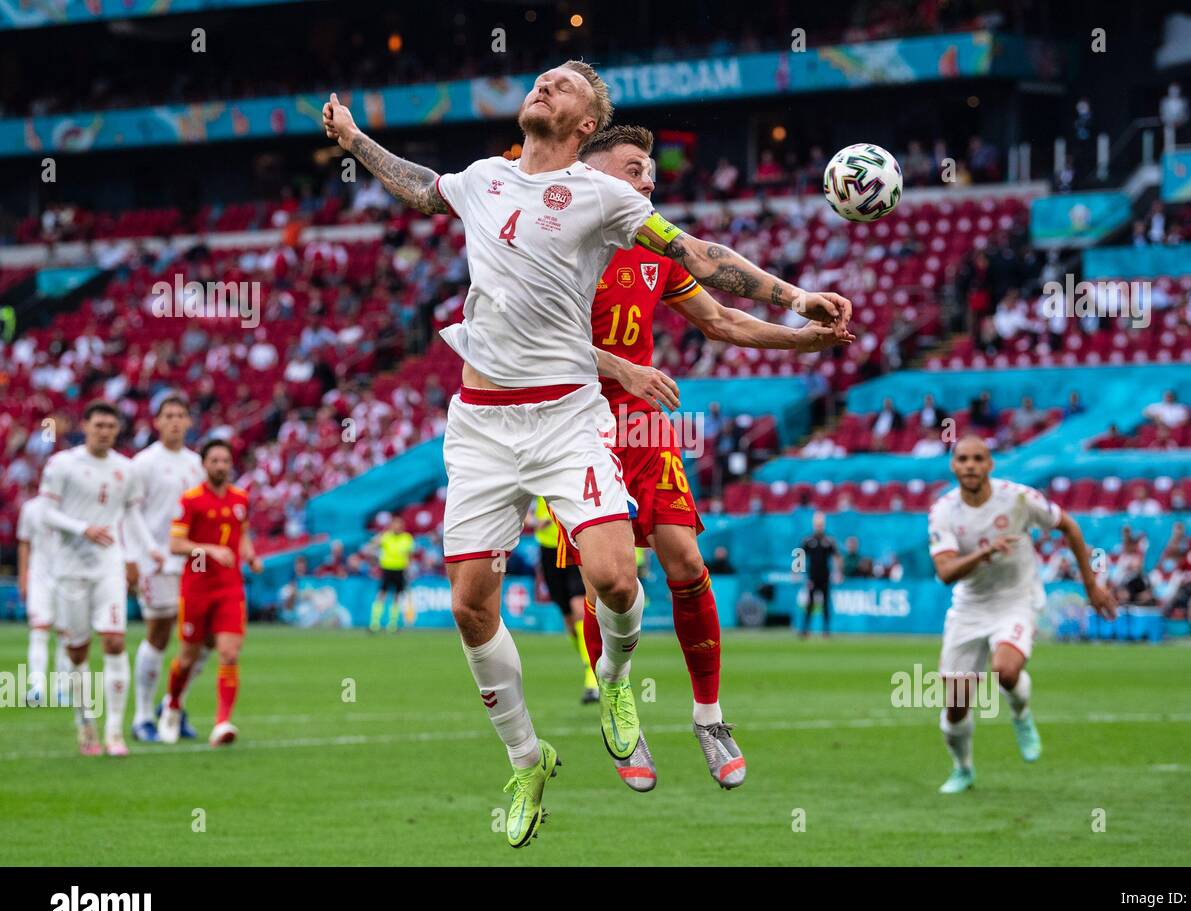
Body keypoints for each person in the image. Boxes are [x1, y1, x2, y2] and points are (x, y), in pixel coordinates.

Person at [323, 62, 850, 847]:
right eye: (542, 77)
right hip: (481, 424)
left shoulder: (607, 198)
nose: (543, 85)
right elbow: (422, 186)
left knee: (615, 576)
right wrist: (357, 139)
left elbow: (702, 258)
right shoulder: (484, 178)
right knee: (470, 602)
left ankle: (613, 682)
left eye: (563, 84)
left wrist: (796, 299)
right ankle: (527, 758)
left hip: (568, 419)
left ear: (582, 125)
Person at [569, 124, 847, 790]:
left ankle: (709, 716)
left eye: (651, 176)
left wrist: (802, 339)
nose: (646, 183)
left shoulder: (654, 248)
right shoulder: (553, 244)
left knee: (687, 560)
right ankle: (615, 689)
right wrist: (616, 365)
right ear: (589, 172)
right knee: (611, 582)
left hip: (639, 422)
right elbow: (521, 341)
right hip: (569, 423)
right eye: (634, 169)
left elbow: (720, 319)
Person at [927, 436, 1116, 794]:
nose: (970, 465)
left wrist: (1091, 586)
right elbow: (946, 572)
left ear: (990, 465)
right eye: (962, 459)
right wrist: (983, 554)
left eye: (977, 459)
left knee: (1005, 669)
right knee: (955, 704)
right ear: (953, 466)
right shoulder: (943, 511)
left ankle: (1020, 714)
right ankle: (963, 768)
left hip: (1016, 599)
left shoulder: (1018, 497)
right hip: (969, 605)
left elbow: (1070, 527)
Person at [39, 401, 163, 757]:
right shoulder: (63, 464)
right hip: (69, 566)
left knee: (113, 641)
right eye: (99, 425)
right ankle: (85, 724)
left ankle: (114, 733)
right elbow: (45, 512)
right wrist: (83, 529)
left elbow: (131, 514)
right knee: (77, 650)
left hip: (109, 563)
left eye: (111, 426)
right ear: (86, 425)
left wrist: (148, 549)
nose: (105, 431)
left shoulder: (126, 469)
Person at [159, 439, 263, 746]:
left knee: (229, 653)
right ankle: (173, 706)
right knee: (188, 657)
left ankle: (222, 723)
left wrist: (251, 557)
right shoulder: (190, 500)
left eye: (225, 461)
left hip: (230, 588)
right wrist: (210, 551)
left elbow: (241, 536)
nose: (221, 466)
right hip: (197, 587)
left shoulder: (241, 499)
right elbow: (176, 545)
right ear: (204, 465)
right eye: (215, 461)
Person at [125, 394, 207, 742]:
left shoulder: (196, 464)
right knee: (158, 634)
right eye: (168, 415)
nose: (175, 421)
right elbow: (129, 513)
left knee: (201, 640)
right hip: (156, 560)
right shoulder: (143, 463)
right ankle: (142, 716)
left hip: (192, 561)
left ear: (189, 422)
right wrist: (136, 556)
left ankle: (173, 704)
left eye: (180, 415)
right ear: (156, 422)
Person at [532, 498, 598, 704]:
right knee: (568, 618)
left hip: (574, 540)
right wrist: (533, 522)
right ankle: (592, 662)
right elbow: (518, 502)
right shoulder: (532, 471)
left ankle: (593, 679)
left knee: (579, 606)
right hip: (549, 547)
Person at [17, 492, 72, 704]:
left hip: (67, 576)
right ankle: (37, 688)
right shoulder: (30, 508)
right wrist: (23, 576)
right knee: (39, 630)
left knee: (65, 634)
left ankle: (62, 689)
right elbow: (24, 543)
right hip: (39, 577)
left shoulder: (71, 506)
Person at [367, 514, 415, 633]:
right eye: (395, 524)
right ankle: (374, 623)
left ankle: (392, 624)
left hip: (400, 570)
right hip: (387, 569)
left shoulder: (407, 538)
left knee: (396, 597)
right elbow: (371, 545)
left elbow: (409, 557)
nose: (397, 526)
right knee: (381, 595)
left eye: (399, 524)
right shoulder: (386, 536)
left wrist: (408, 571)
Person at [798, 512, 840, 639]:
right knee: (809, 603)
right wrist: (797, 572)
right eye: (817, 525)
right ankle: (805, 630)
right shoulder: (808, 540)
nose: (819, 527)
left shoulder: (829, 541)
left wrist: (838, 572)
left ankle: (826, 630)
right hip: (812, 577)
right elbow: (799, 554)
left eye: (821, 525)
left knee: (826, 604)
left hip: (825, 577)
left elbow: (836, 557)